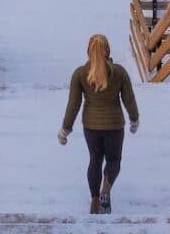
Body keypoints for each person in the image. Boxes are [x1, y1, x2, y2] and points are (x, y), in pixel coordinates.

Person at [58, 33, 138, 214]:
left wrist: (65, 129)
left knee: (95, 159)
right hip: (114, 126)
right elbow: (129, 99)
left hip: (91, 126)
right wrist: (134, 119)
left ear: (88, 53)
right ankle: (105, 190)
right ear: (108, 51)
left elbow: (73, 104)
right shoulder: (119, 72)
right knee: (114, 160)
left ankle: (94, 199)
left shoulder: (80, 74)